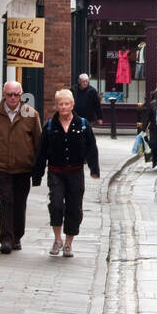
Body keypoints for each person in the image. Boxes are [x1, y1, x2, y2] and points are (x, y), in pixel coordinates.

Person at [32, 88, 100, 258]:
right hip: (55, 172)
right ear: (56, 106)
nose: (63, 107)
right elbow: (41, 152)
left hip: (75, 173)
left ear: (72, 105)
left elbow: (91, 148)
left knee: (74, 208)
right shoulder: (49, 126)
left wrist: (94, 169)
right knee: (55, 205)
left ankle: (68, 243)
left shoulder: (83, 125)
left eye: (67, 104)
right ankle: (57, 239)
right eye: (60, 104)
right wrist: (37, 175)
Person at [0, 80, 43, 253]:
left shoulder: (31, 115)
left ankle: (17, 236)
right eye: (9, 94)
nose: (12, 98)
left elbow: (38, 143)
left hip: (23, 167)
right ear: (3, 94)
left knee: (19, 203)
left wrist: (38, 170)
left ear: (21, 95)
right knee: (6, 201)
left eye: (16, 94)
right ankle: (6, 240)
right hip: (1, 167)